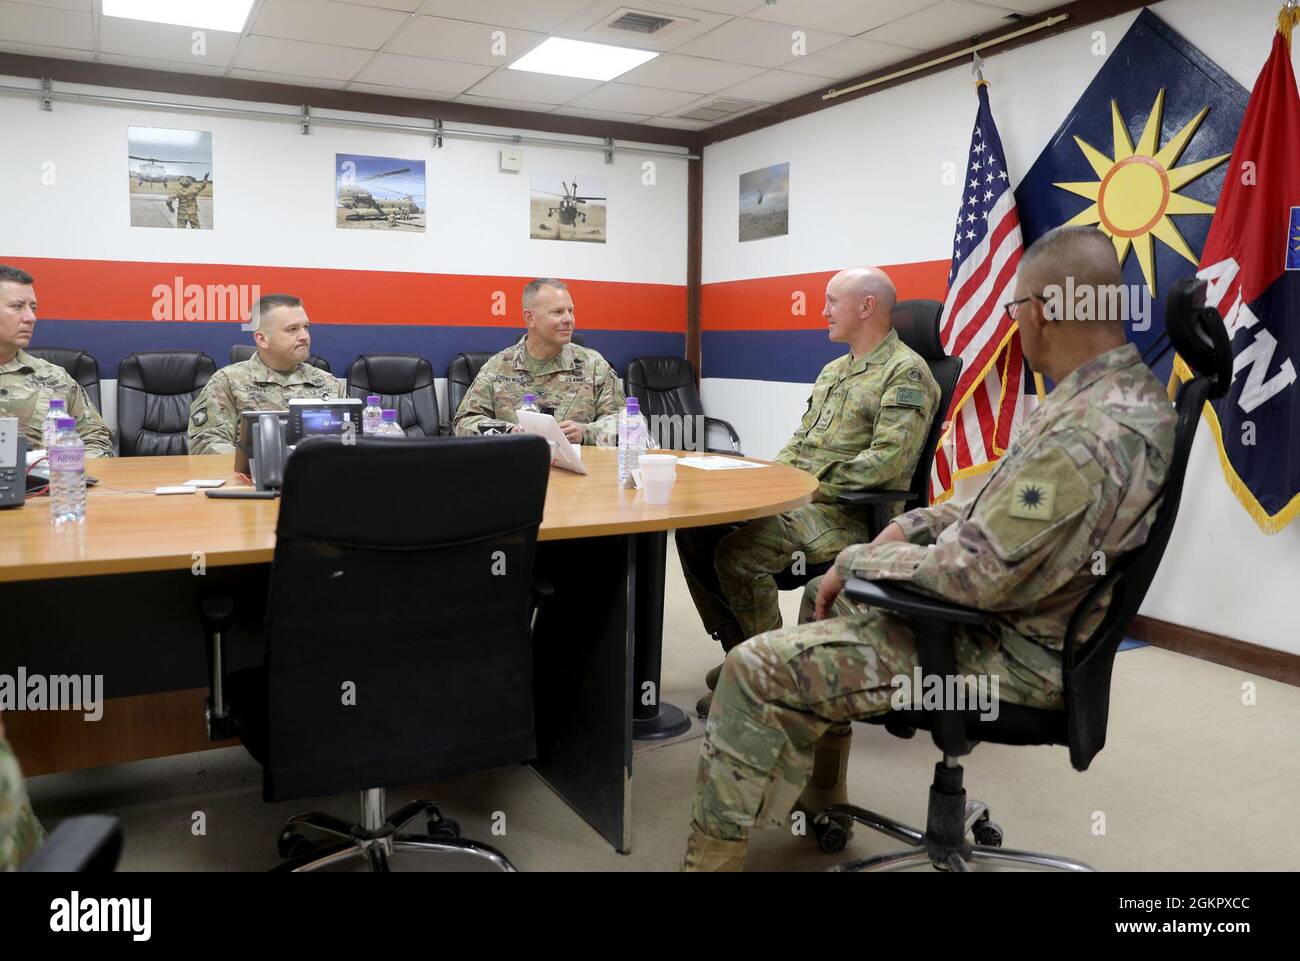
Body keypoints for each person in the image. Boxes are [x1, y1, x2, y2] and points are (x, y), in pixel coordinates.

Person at [683, 226, 1179, 871]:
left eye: (1014, 310)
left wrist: (858, 558)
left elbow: (970, 576)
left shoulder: (1087, 431)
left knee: (755, 669)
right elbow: (994, 501)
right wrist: (909, 528)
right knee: (817, 606)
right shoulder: (1109, 400)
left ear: (1043, 310)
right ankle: (823, 789)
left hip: (1007, 654)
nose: (1015, 327)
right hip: (1016, 620)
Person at [676, 267, 939, 717]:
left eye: (832, 302)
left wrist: (804, 486)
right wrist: (767, 480)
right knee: (695, 530)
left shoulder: (906, 373)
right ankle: (742, 655)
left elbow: (886, 465)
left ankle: (768, 677)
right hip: (803, 504)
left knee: (740, 553)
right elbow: (802, 442)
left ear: (866, 306)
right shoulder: (835, 370)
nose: (822, 311)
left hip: (851, 516)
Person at [452, 278, 624, 445]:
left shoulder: (594, 365)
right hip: (516, 467)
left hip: (579, 470)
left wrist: (586, 433)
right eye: (557, 312)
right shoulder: (497, 367)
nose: (568, 319)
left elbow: (627, 424)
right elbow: (464, 424)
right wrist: (508, 432)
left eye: (570, 311)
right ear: (530, 318)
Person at [188, 293, 342, 454]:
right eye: (292, 329)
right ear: (262, 339)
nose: (304, 336)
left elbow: (351, 440)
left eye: (306, 327)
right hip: (250, 476)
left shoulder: (328, 383)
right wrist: (258, 462)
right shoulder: (227, 382)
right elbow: (205, 444)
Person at [0, 264, 113, 456]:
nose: (31, 317)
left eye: (33, 308)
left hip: (46, 483)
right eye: (17, 307)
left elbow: (96, 439)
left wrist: (65, 470)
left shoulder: (55, 378)